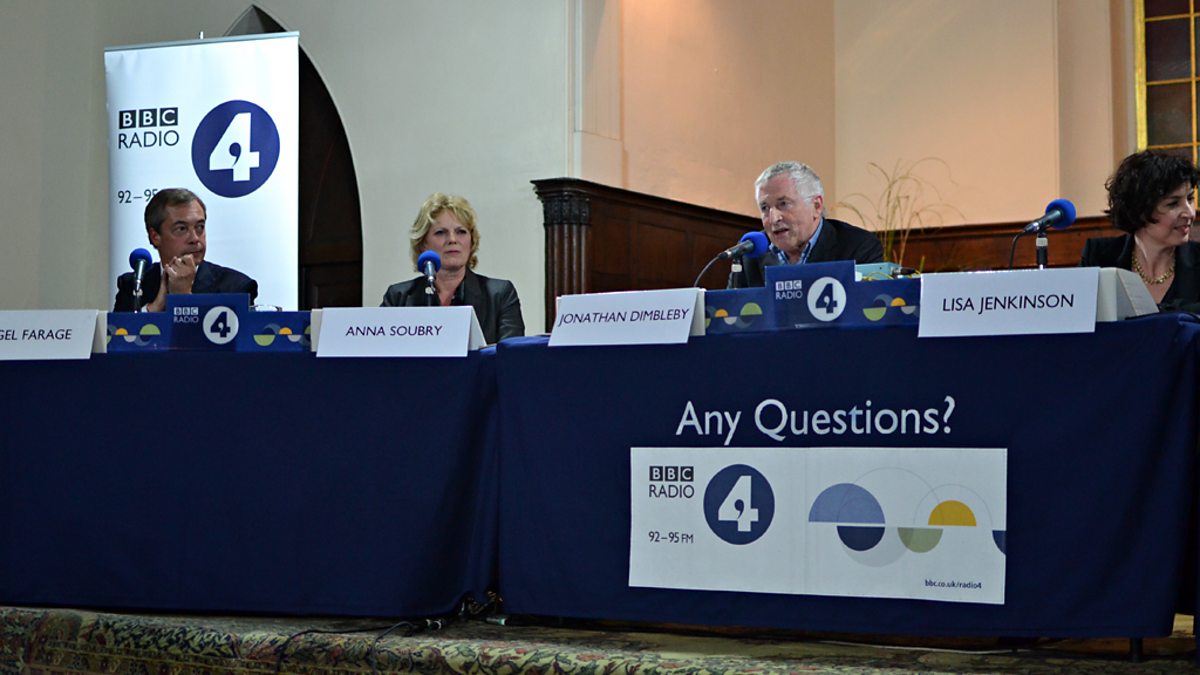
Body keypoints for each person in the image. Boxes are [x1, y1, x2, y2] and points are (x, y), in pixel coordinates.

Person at [381, 193, 525, 344]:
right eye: (440, 232)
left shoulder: (499, 294)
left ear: (471, 241)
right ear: (423, 244)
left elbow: (510, 358)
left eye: (461, 232)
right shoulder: (398, 297)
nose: (452, 239)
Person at [729, 161, 884, 288]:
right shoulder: (750, 254)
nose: (774, 218)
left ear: (816, 206)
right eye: (765, 208)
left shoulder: (858, 247)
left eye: (783, 204)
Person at [1080, 150, 1200, 310]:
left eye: (1190, 199)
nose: (1190, 213)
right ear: (1141, 210)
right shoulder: (1099, 257)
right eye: (1173, 204)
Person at [113, 188, 258, 312]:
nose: (195, 238)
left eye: (200, 227)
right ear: (155, 236)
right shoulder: (133, 286)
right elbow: (120, 340)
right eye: (182, 229)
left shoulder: (235, 288)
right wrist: (154, 308)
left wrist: (183, 299)